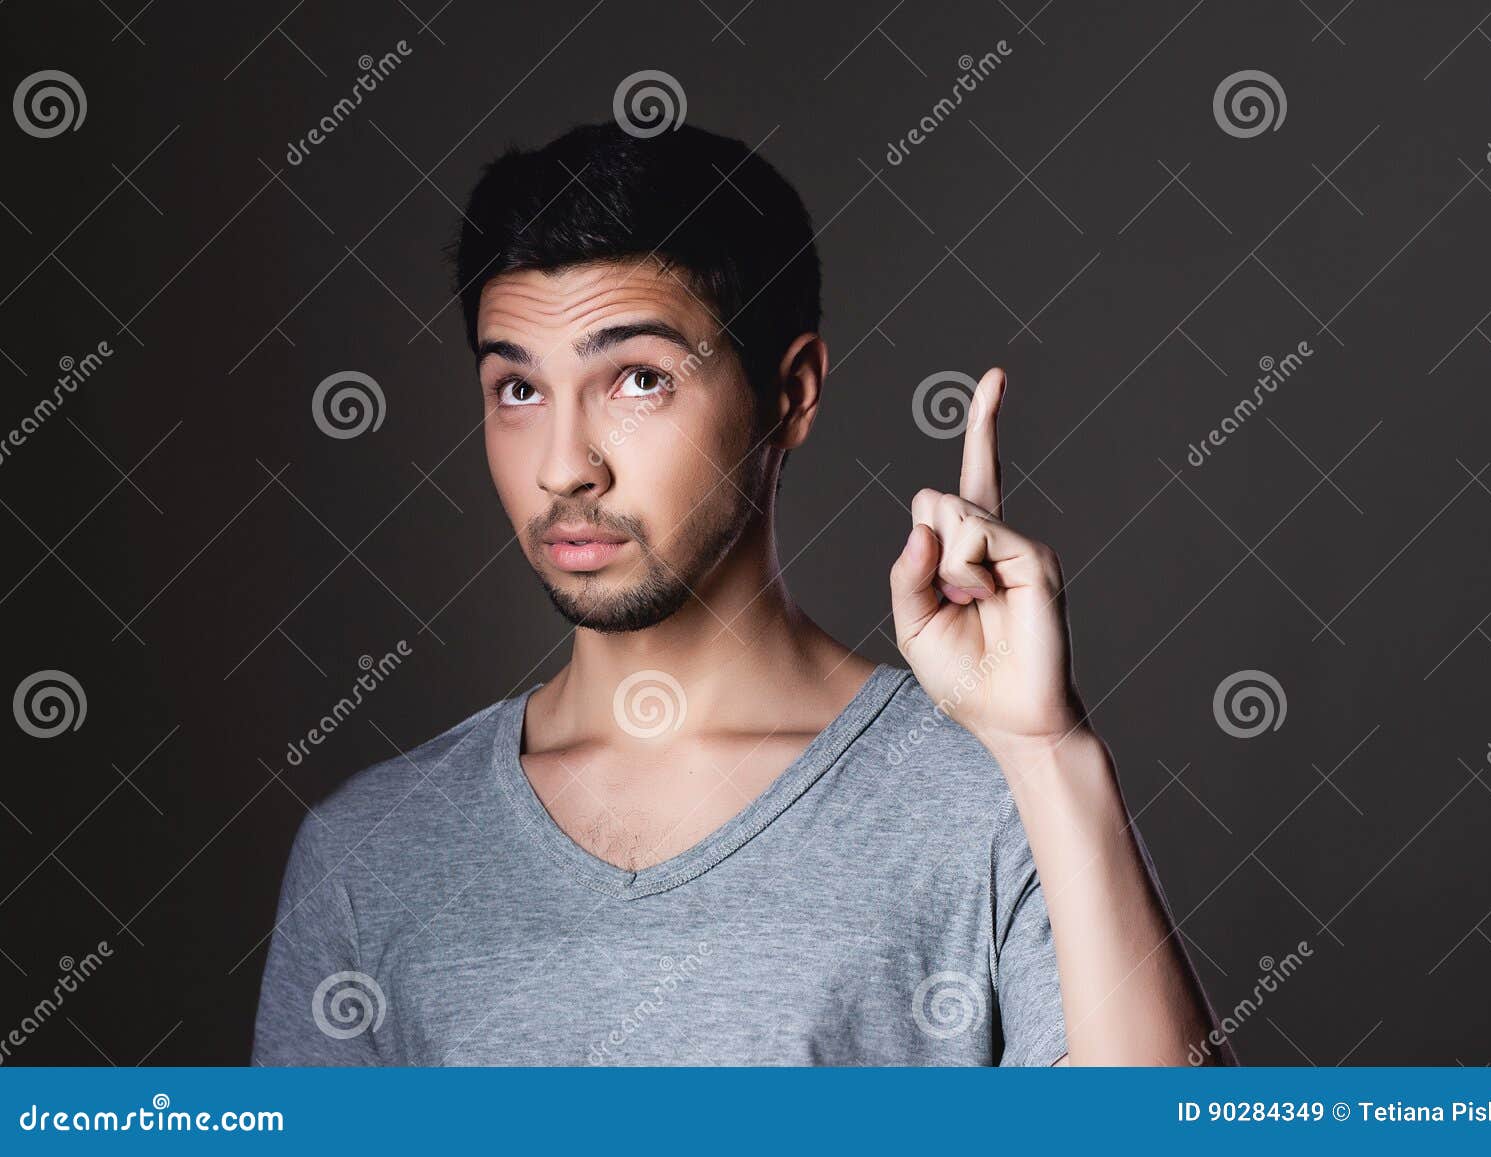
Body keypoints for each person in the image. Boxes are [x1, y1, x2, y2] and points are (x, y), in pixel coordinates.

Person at [251, 120, 1229, 1066]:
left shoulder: (990, 798)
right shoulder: (370, 853)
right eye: (518, 390)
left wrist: (1040, 749)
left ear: (789, 391)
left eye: (637, 379)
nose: (563, 467)